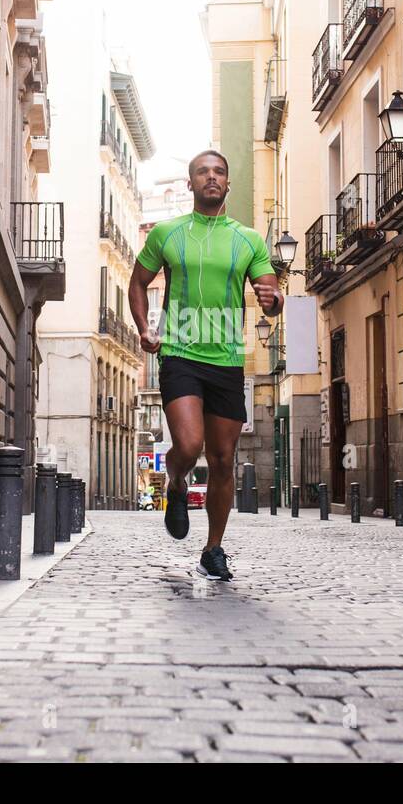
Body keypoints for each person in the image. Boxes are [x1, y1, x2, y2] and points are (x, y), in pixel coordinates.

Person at [128, 150, 284, 581]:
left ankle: (213, 549)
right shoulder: (167, 233)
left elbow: (269, 293)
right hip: (179, 353)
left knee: (222, 458)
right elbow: (138, 282)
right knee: (191, 443)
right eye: (203, 172)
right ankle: (176, 481)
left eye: (219, 171)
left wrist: (275, 300)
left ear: (227, 183)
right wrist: (144, 327)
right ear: (191, 183)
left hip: (227, 359)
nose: (211, 177)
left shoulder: (248, 239)